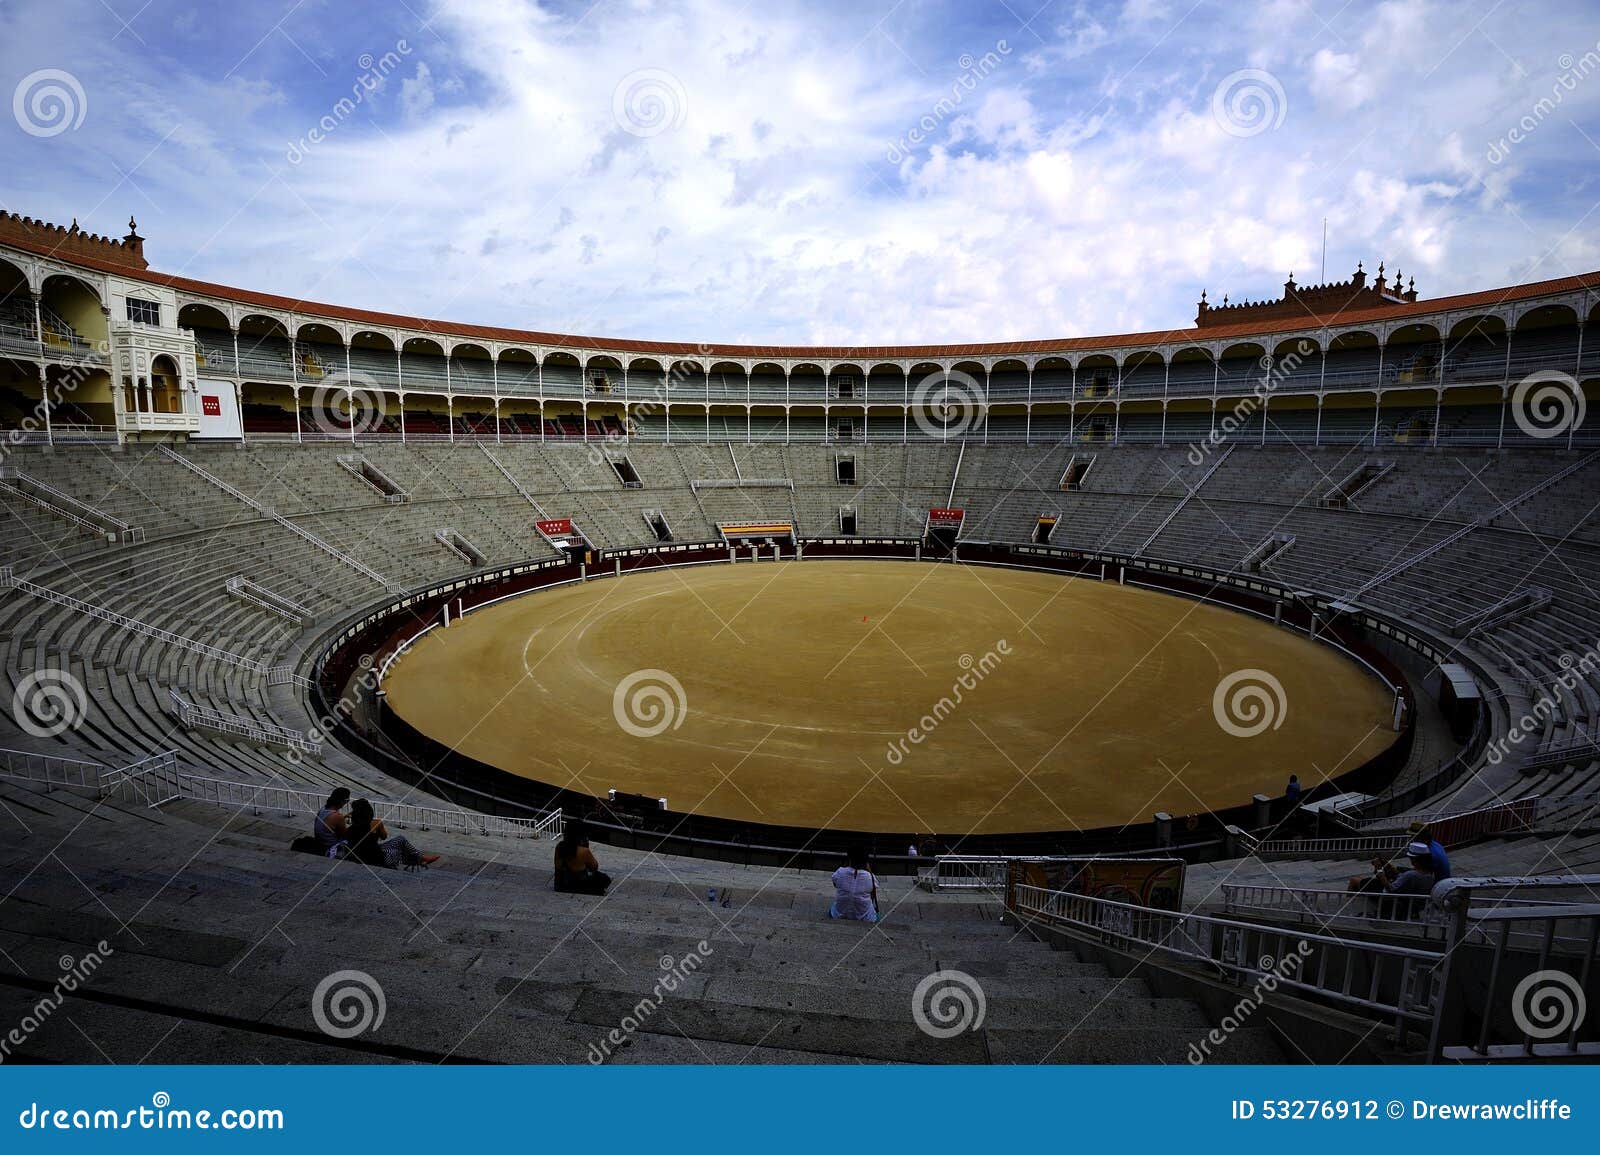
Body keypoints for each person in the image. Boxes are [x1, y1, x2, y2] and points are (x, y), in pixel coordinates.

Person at [343, 798, 440, 870]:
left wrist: (345, 817)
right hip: (378, 858)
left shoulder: (350, 830)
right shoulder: (376, 823)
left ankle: (422, 858)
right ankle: (420, 860)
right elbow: (384, 837)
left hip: (363, 856)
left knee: (400, 839)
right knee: (399, 849)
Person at [553, 818, 611, 895]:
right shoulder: (584, 851)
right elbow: (594, 867)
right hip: (579, 884)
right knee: (604, 878)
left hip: (562, 884)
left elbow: (558, 866)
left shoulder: (559, 847)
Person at [828, 845, 881, 923]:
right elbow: (872, 893)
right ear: (866, 861)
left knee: (834, 904)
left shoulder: (840, 872)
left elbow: (835, 884)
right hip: (864, 917)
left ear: (849, 859)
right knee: (877, 916)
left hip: (839, 914)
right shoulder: (870, 877)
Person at [313, 787, 351, 853]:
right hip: (331, 847)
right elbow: (344, 835)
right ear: (342, 801)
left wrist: (344, 817)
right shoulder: (338, 817)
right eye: (347, 801)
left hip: (320, 843)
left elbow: (330, 823)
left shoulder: (322, 810)